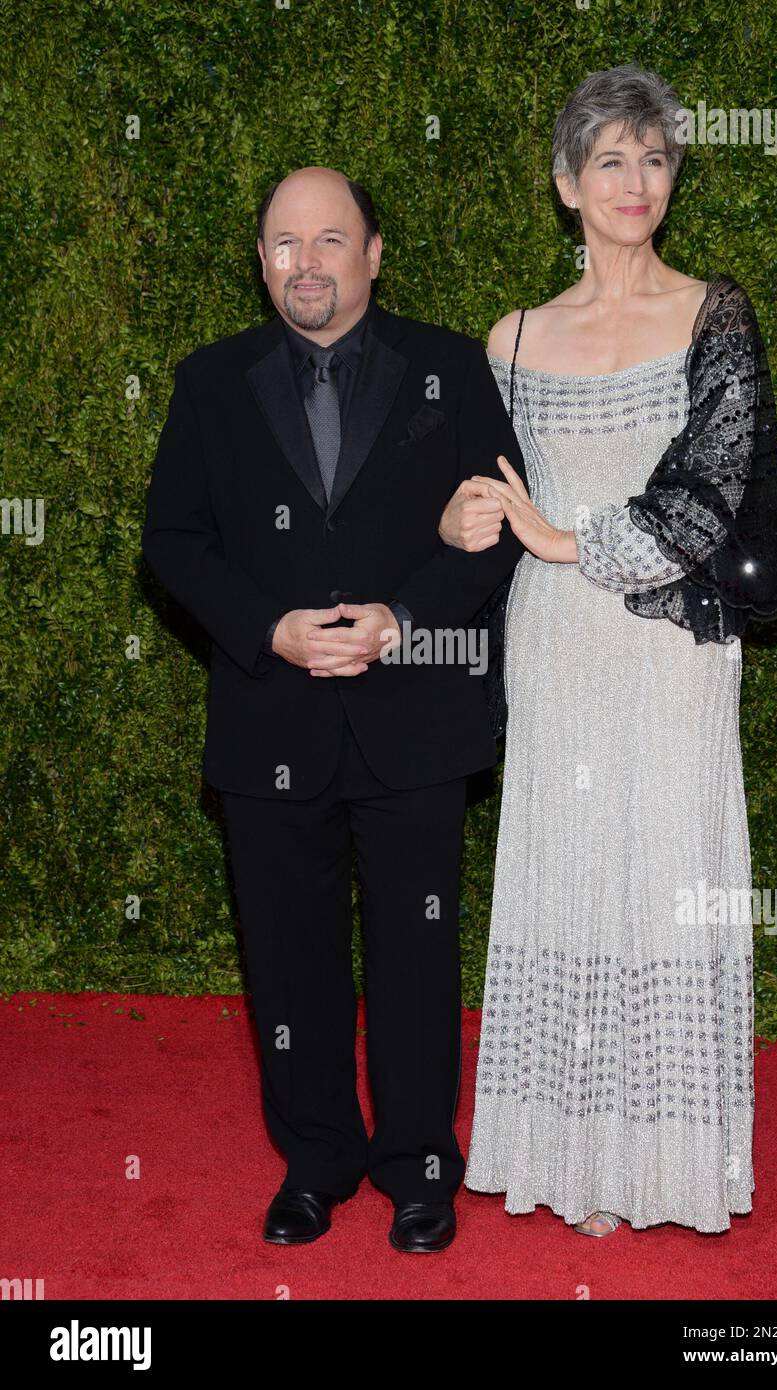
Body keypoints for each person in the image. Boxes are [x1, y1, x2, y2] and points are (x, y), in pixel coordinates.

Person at [437, 64, 777, 1234]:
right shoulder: (512, 338)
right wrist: (463, 521)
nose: (634, 181)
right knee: (564, 868)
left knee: (663, 876)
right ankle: (569, 1154)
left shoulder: (714, 314)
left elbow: (708, 498)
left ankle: (671, 1166)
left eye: (654, 159)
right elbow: (468, 499)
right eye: (609, 159)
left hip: (664, 651)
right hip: (552, 649)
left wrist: (565, 535)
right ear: (564, 184)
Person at [141, 166, 527, 1252]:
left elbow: (499, 525)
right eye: (282, 243)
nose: (304, 262)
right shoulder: (210, 381)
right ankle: (315, 1160)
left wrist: (404, 615)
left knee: (415, 957)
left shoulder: (449, 369)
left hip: (415, 721)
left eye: (328, 239)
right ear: (261, 259)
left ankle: (417, 1171)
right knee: (287, 954)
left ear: (372, 252)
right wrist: (268, 627)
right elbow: (171, 540)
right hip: (269, 718)